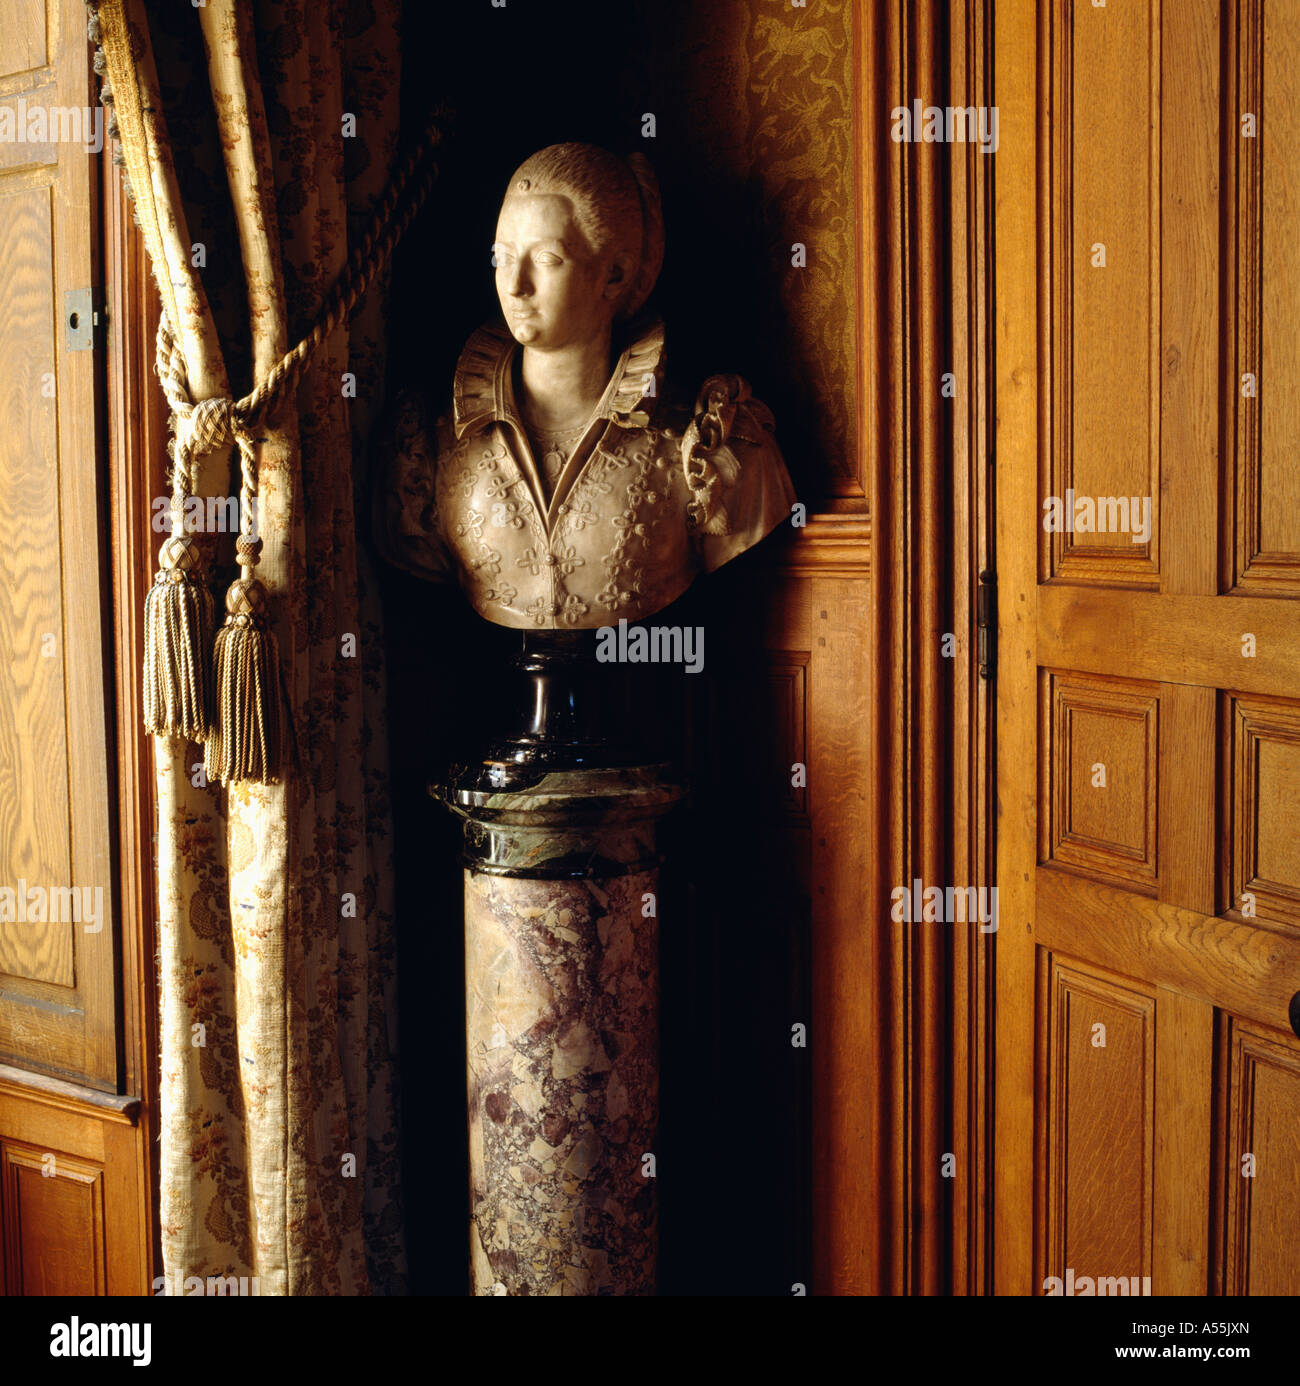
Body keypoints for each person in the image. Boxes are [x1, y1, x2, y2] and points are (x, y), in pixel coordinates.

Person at [378, 142, 795, 629]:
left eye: (548, 259)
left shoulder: (708, 446)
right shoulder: (430, 449)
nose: (515, 284)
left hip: (641, 695)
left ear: (614, 274)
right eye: (503, 257)